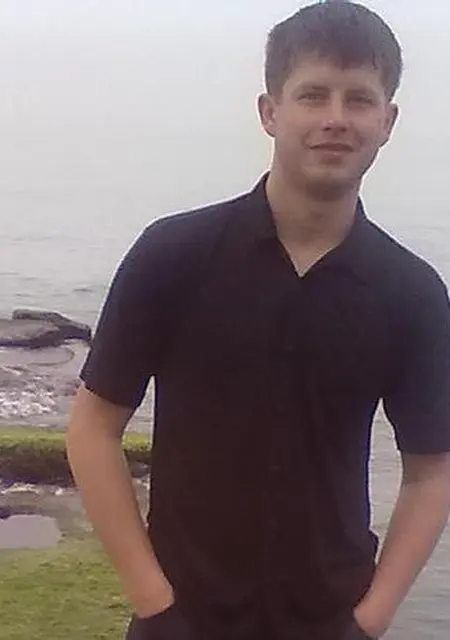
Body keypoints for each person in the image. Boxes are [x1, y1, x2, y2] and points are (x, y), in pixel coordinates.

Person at [66, 2, 450, 639]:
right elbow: (92, 430)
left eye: (359, 99)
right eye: (313, 95)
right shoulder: (173, 256)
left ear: (387, 121)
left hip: (331, 623)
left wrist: (370, 620)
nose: (335, 118)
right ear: (270, 111)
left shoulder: (412, 293)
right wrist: (154, 601)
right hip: (181, 621)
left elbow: (431, 471)